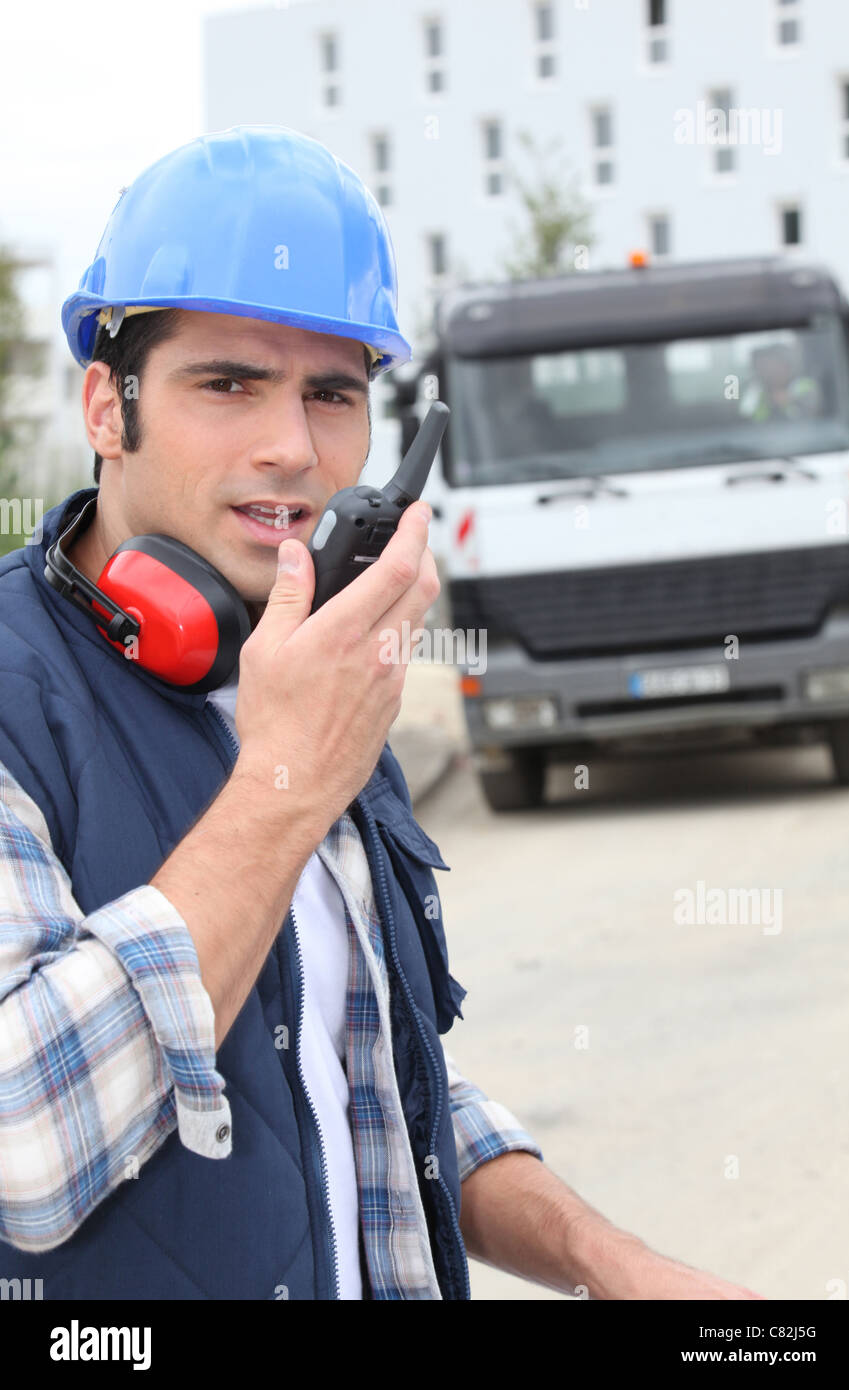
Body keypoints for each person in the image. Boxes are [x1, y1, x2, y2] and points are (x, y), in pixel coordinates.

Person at [0, 125, 762, 1300]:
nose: (292, 447)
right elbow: (25, 1147)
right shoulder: (18, 695)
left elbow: (365, 1086)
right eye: (228, 384)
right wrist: (283, 782)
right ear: (108, 404)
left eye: (331, 394)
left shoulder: (313, 668)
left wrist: (607, 1264)